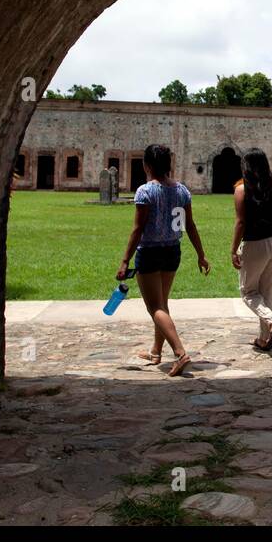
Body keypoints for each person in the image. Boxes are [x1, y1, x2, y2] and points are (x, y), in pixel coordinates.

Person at [116, 144, 210, 376]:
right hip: (172, 251)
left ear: (147, 166)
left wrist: (125, 260)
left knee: (154, 306)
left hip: (149, 252)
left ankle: (180, 353)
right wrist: (201, 254)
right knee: (162, 303)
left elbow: (138, 229)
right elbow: (190, 225)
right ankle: (156, 351)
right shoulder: (182, 191)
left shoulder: (145, 192)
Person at [230, 149, 272, 351]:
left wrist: (233, 250)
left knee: (248, 292)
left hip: (254, 243)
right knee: (266, 291)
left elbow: (240, 223)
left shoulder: (241, 190)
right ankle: (265, 337)